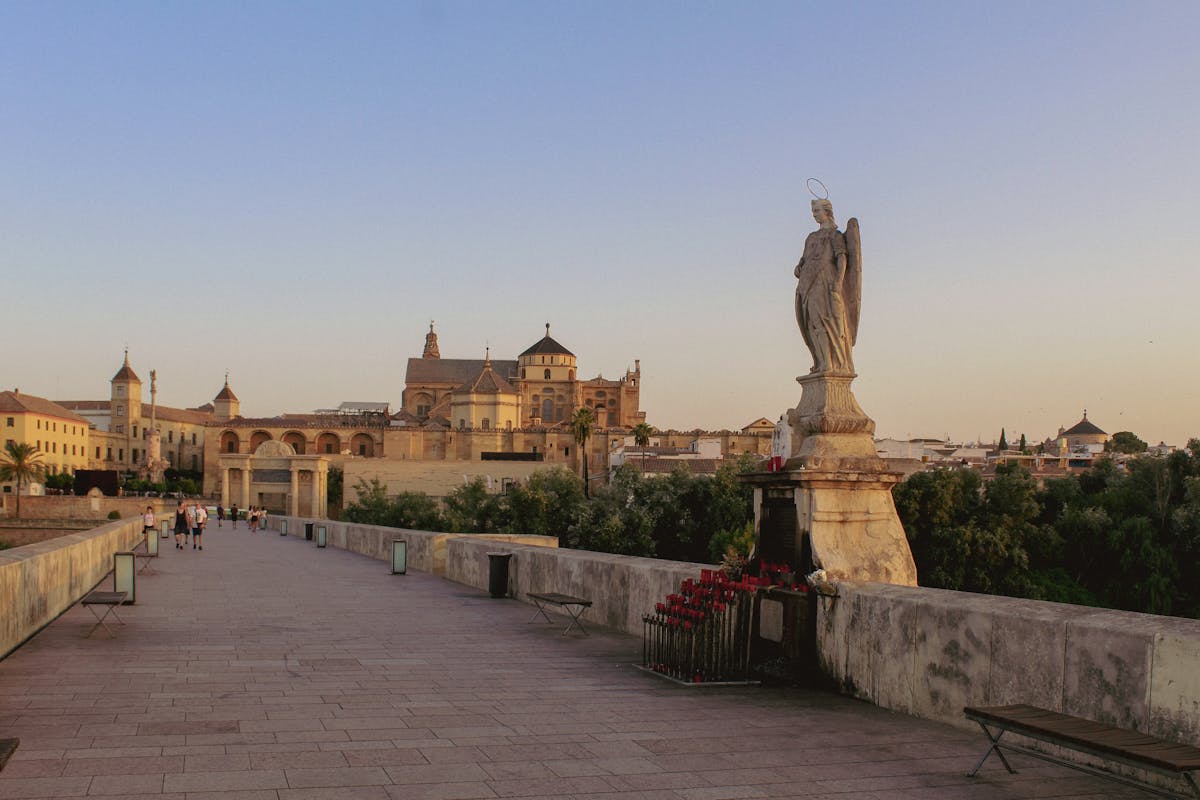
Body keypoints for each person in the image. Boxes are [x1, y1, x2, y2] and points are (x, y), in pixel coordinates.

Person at [794, 198, 860, 375]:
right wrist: (799, 267)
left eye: (816, 211)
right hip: (808, 284)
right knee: (812, 323)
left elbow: (842, 258)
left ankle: (830, 363)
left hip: (825, 282)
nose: (814, 215)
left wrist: (838, 282)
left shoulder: (834, 235)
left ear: (827, 211)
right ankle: (821, 361)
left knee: (827, 321)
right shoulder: (811, 237)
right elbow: (803, 260)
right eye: (813, 212)